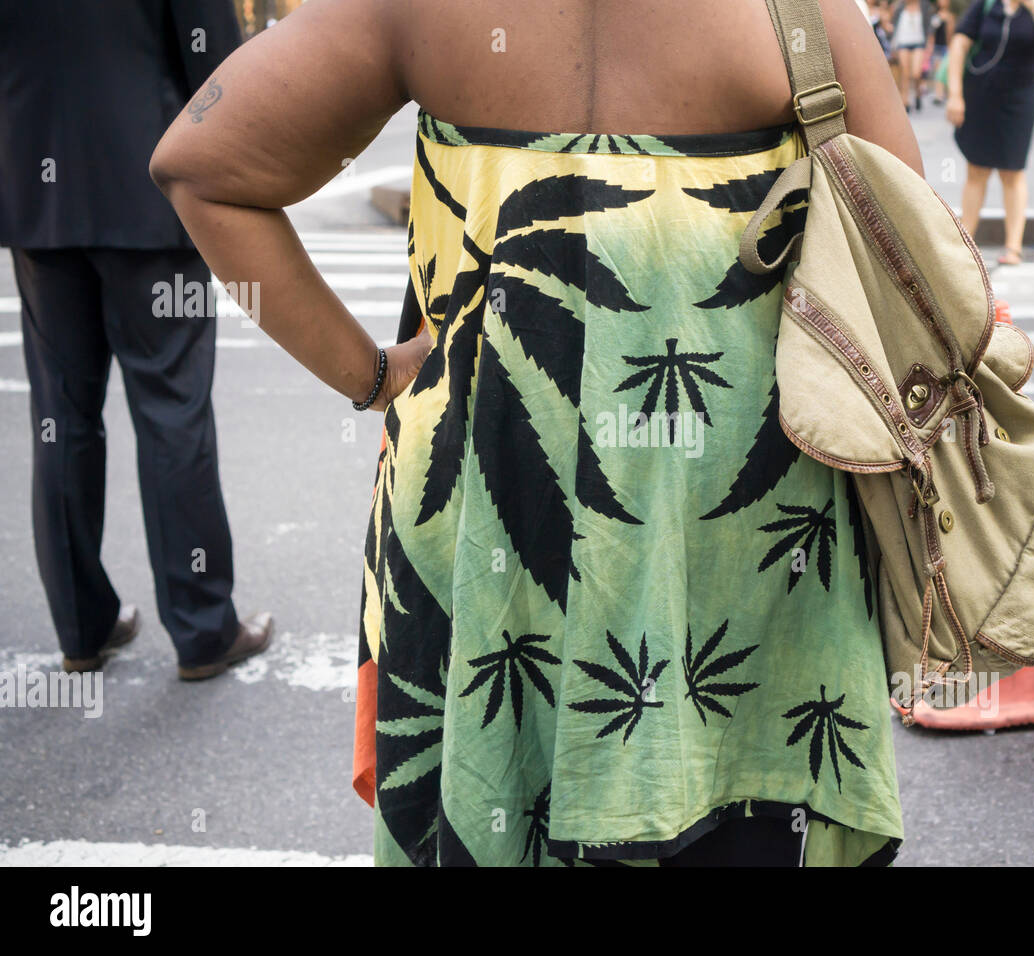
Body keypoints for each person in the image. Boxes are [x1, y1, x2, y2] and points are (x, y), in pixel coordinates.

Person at [149, 0, 923, 867]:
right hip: (746, 544)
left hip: (487, 514)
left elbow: (198, 169)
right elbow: (913, 259)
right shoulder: (799, 14)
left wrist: (366, 375)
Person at [0, 0, 273, 680]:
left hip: (37, 195)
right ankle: (202, 628)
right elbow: (216, 69)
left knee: (62, 418)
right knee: (173, 409)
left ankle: (82, 629)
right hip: (152, 188)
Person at [946, 0, 1034, 265]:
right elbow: (959, 44)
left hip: (1018, 100)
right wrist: (955, 94)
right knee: (976, 169)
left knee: (1012, 172)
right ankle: (966, 242)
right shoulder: (986, 5)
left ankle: (1013, 247)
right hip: (980, 96)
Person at [891, 0, 933, 111]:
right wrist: (893, 46)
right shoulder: (899, 7)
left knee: (916, 73)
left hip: (919, 43)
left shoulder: (924, 6)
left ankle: (918, 93)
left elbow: (929, 28)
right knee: (905, 73)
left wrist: (929, 45)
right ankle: (905, 101)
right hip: (903, 42)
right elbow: (895, 27)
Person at [929, 0, 956, 105]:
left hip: (946, 47)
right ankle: (938, 94)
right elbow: (932, 33)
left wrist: (951, 47)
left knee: (944, 70)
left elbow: (951, 32)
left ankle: (945, 93)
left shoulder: (950, 16)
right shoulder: (935, 15)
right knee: (937, 70)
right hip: (937, 46)